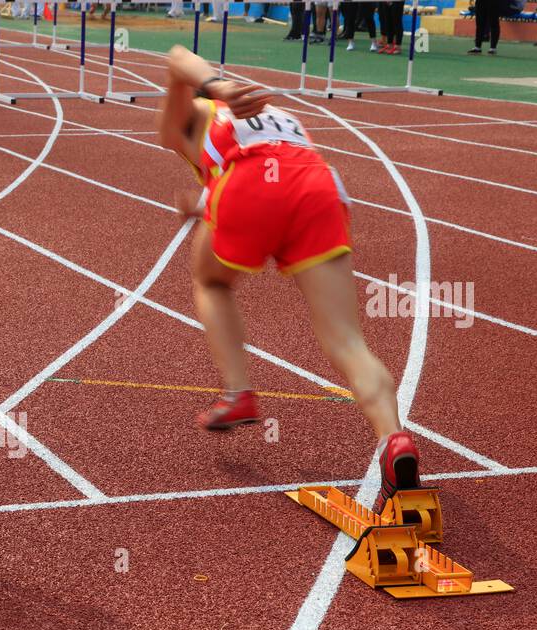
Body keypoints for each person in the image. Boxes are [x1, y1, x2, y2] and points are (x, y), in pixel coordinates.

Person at [155, 45, 421, 511]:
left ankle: (238, 391)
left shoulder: (195, 112)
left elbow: (178, 58)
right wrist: (203, 203)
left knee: (211, 281)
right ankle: (393, 440)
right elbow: (268, 173)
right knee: (347, 340)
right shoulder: (270, 111)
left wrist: (209, 85)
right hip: (316, 185)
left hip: (249, 186)